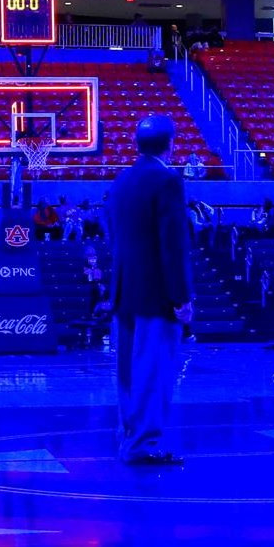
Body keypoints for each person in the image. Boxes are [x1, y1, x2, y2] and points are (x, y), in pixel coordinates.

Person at [106, 114, 194, 466]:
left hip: (124, 289)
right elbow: (173, 245)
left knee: (128, 372)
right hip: (156, 293)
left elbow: (113, 235)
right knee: (153, 371)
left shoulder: (122, 179)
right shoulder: (167, 180)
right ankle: (144, 444)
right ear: (170, 143)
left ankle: (129, 436)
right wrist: (181, 297)